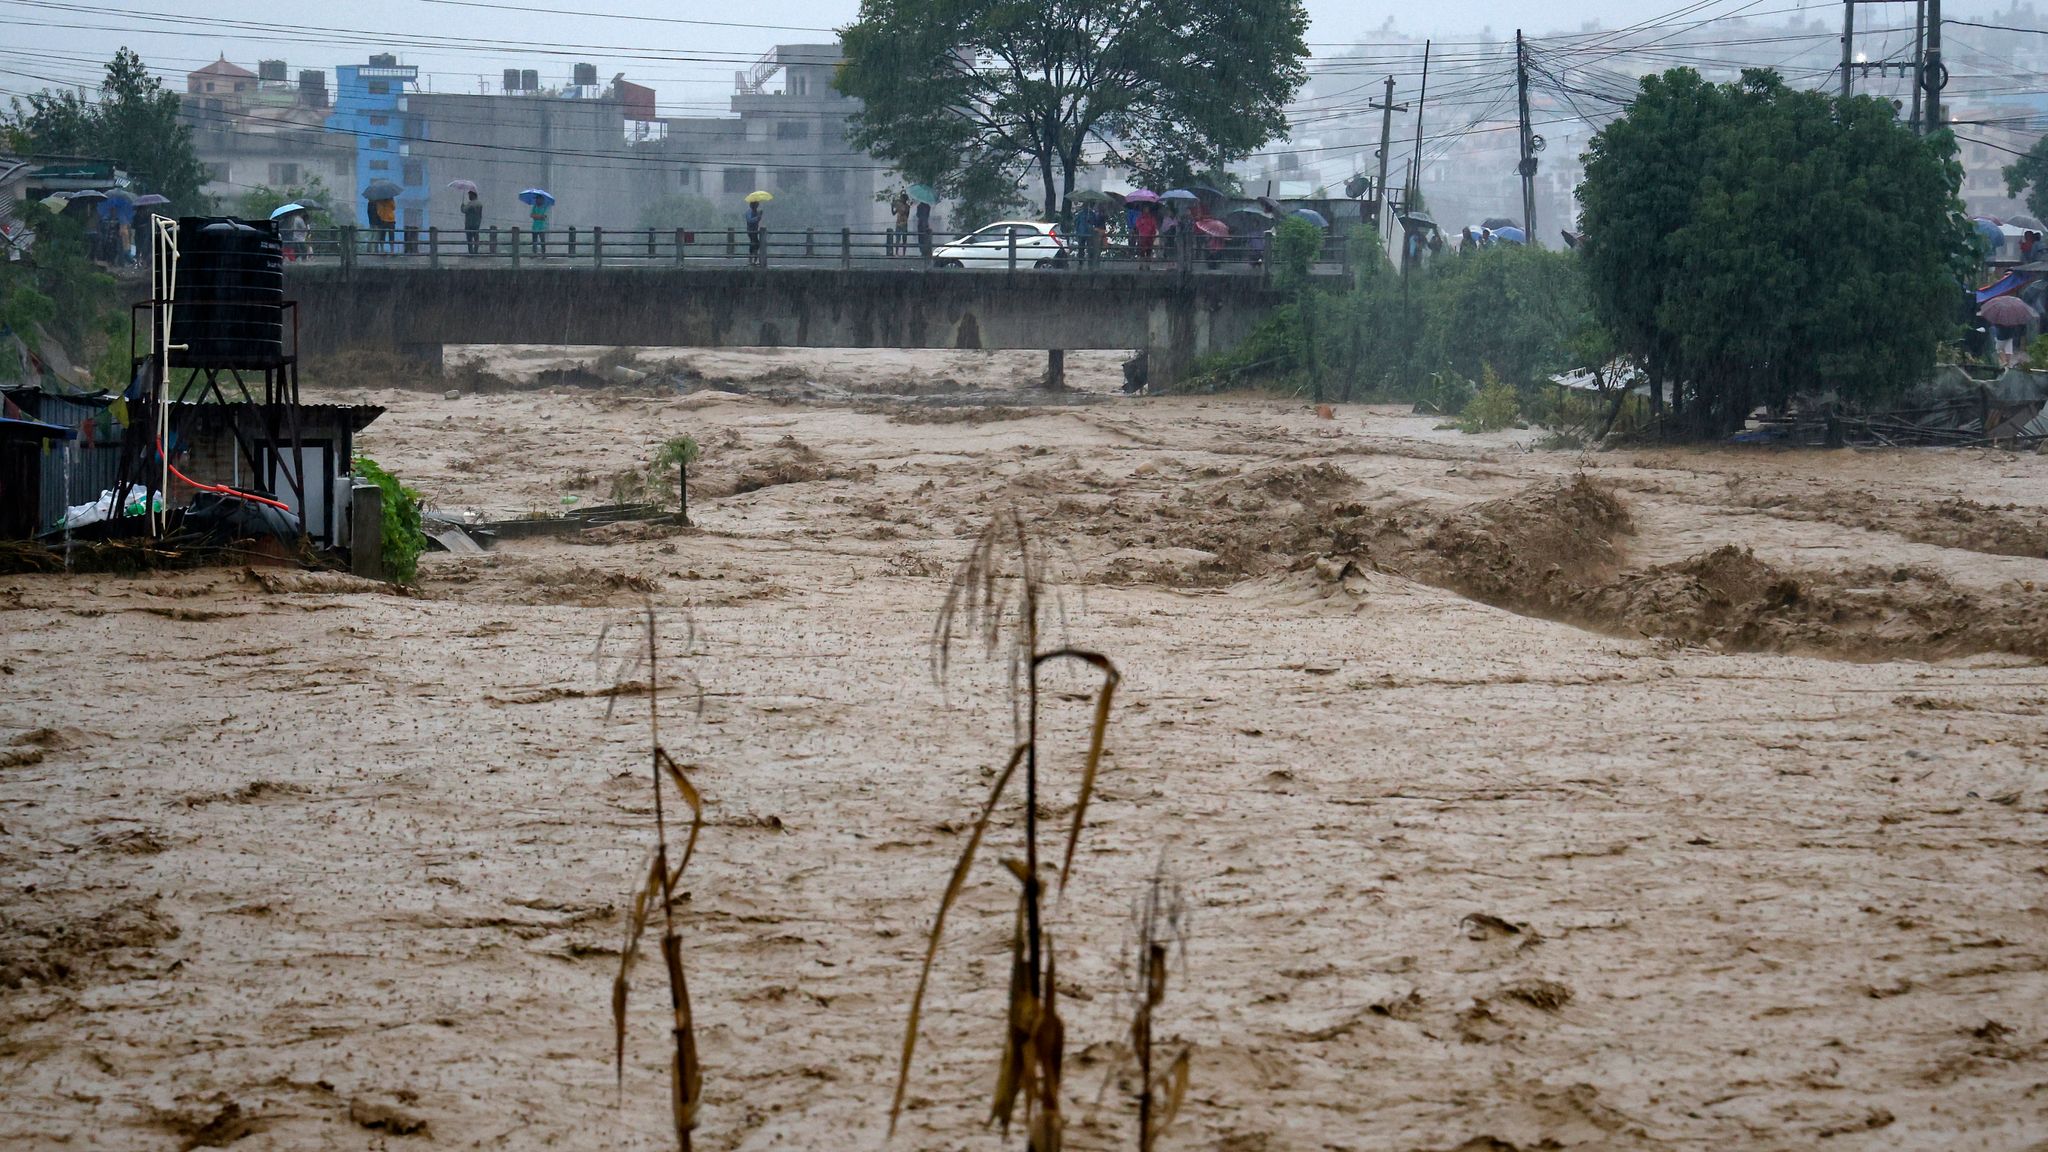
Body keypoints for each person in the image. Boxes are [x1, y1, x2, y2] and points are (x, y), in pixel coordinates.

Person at [461, 190, 483, 256]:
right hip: (477, 224)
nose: (469, 196)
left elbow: (464, 210)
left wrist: (462, 206)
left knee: (469, 239)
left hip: (469, 224)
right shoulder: (480, 204)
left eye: (469, 195)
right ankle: (476, 252)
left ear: (473, 195)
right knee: (476, 238)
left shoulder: (470, 204)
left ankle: (471, 253)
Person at [890, 191, 910, 257]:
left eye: (902, 198)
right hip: (898, 224)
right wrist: (892, 207)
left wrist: (899, 207)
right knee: (897, 239)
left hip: (904, 224)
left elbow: (906, 214)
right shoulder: (899, 205)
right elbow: (893, 213)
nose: (901, 199)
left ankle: (904, 253)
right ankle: (896, 252)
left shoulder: (907, 206)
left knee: (904, 239)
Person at [745, 199, 764, 265]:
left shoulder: (757, 212)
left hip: (755, 230)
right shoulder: (748, 212)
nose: (756, 206)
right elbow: (749, 220)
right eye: (755, 204)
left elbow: (757, 221)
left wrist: (760, 216)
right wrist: (757, 217)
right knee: (753, 244)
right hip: (750, 231)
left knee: (756, 244)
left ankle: (755, 260)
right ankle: (751, 260)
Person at [915, 198, 933, 262]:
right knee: (926, 239)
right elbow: (927, 215)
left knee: (921, 239)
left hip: (920, 224)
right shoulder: (928, 206)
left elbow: (917, 215)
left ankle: (922, 251)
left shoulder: (919, 206)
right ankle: (926, 252)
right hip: (926, 224)